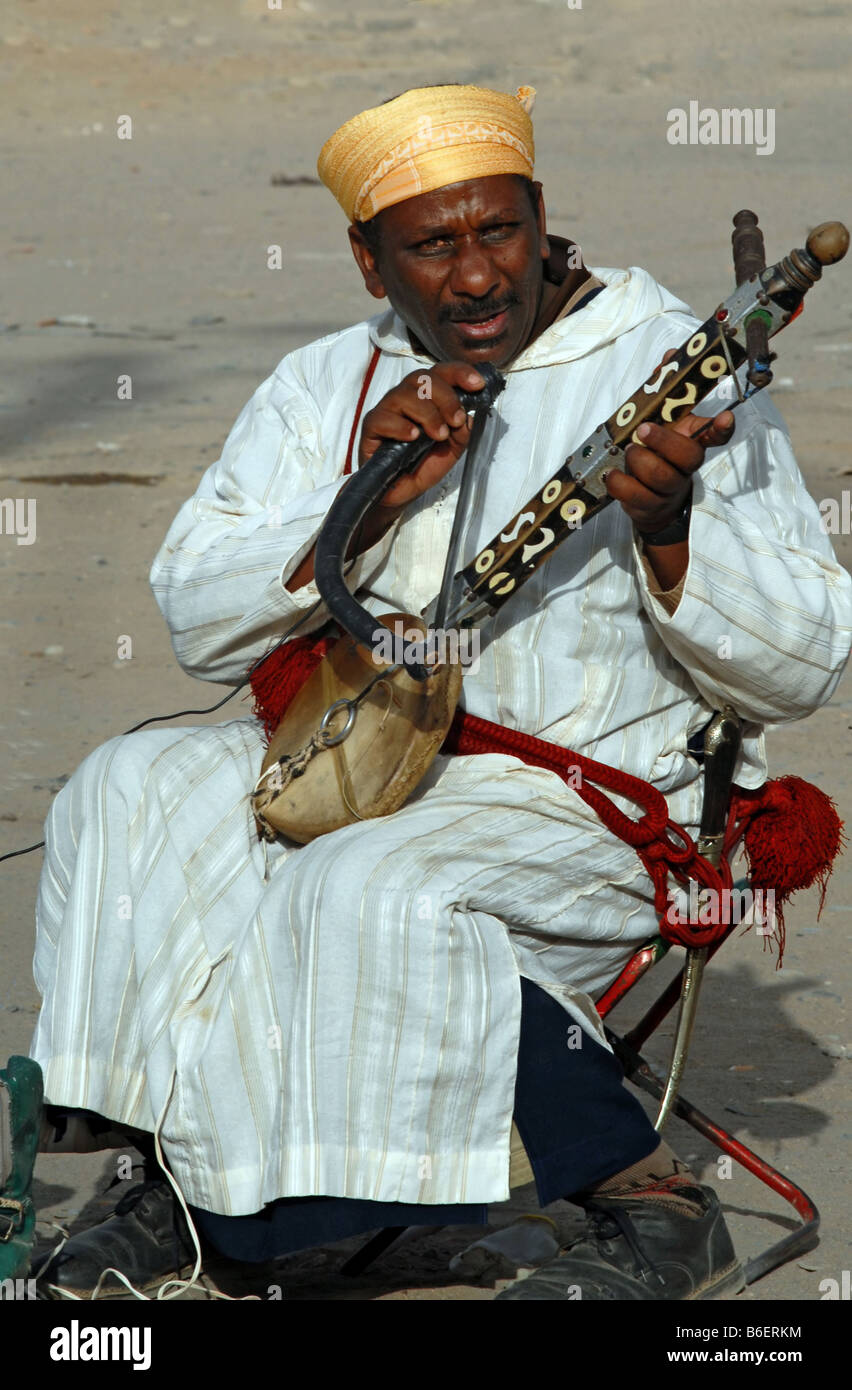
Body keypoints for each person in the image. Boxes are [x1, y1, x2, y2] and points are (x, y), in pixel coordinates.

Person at [24, 83, 851, 1301]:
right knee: (131, 789)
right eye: (432, 246)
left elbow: (808, 656)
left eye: (499, 232)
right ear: (369, 262)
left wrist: (672, 531)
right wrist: (368, 500)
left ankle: (646, 1194)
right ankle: (170, 1177)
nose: (476, 278)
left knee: (361, 883)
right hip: (356, 751)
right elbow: (199, 617)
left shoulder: (674, 364)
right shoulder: (327, 386)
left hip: (591, 797)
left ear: (541, 216)